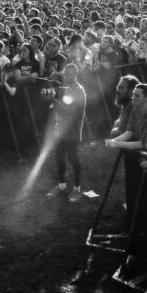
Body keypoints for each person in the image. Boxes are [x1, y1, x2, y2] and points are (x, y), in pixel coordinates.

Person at [47, 64, 86, 202]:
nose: (65, 77)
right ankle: (62, 186)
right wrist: (51, 94)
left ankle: (77, 188)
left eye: (68, 75)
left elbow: (70, 111)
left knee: (72, 158)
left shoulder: (78, 90)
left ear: (74, 74)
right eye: (65, 74)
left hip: (72, 130)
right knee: (59, 156)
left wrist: (53, 100)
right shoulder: (66, 88)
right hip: (60, 129)